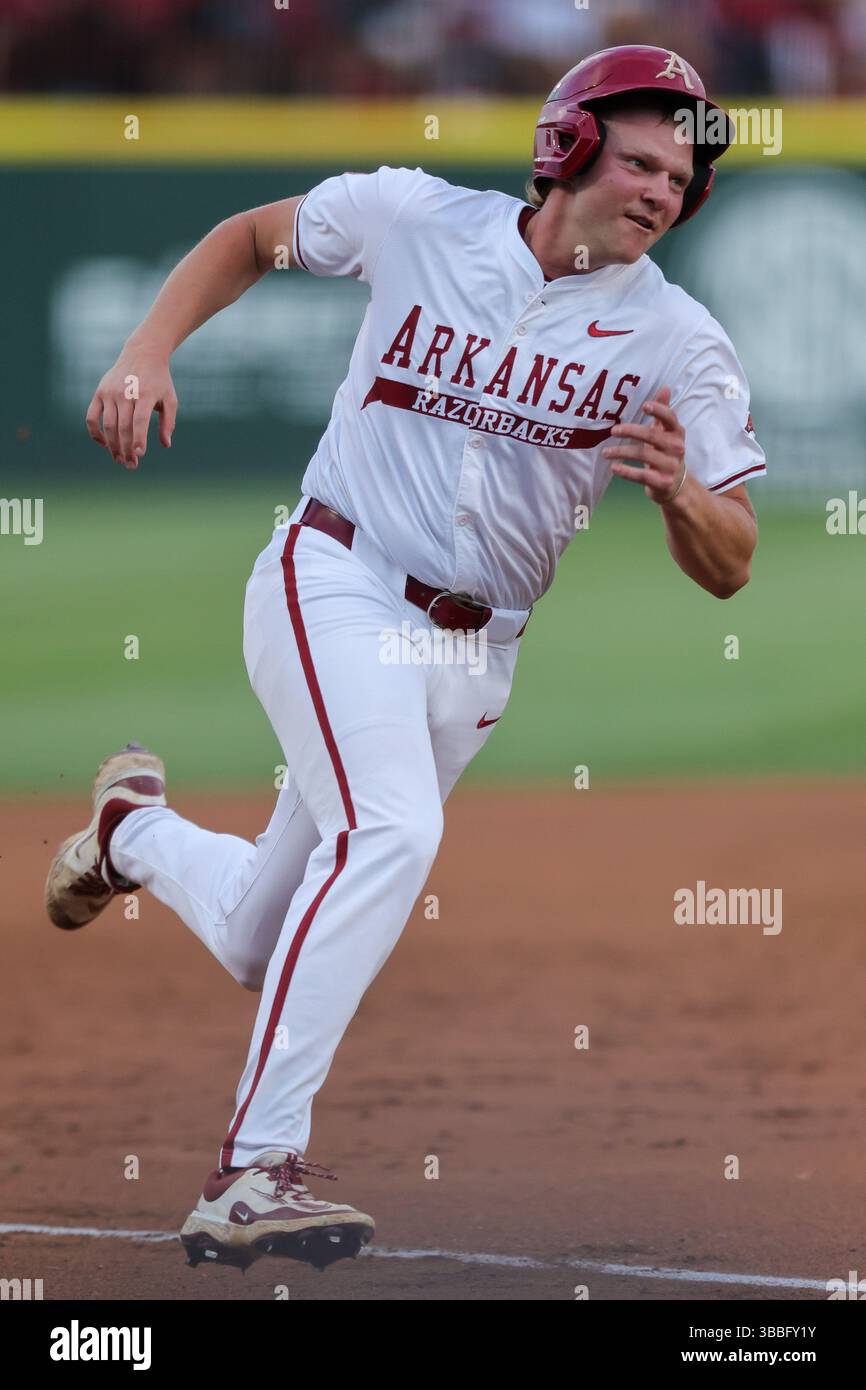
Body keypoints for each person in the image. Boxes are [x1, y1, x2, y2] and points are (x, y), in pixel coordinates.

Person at [45, 46, 766, 1273]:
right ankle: (250, 1171)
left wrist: (683, 497)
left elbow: (732, 556)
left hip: (475, 657)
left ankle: (128, 835)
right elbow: (247, 235)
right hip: (334, 573)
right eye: (638, 156)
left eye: (680, 173)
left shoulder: (677, 341)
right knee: (389, 838)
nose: (658, 186)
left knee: (256, 941)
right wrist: (144, 351)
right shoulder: (416, 218)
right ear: (567, 146)